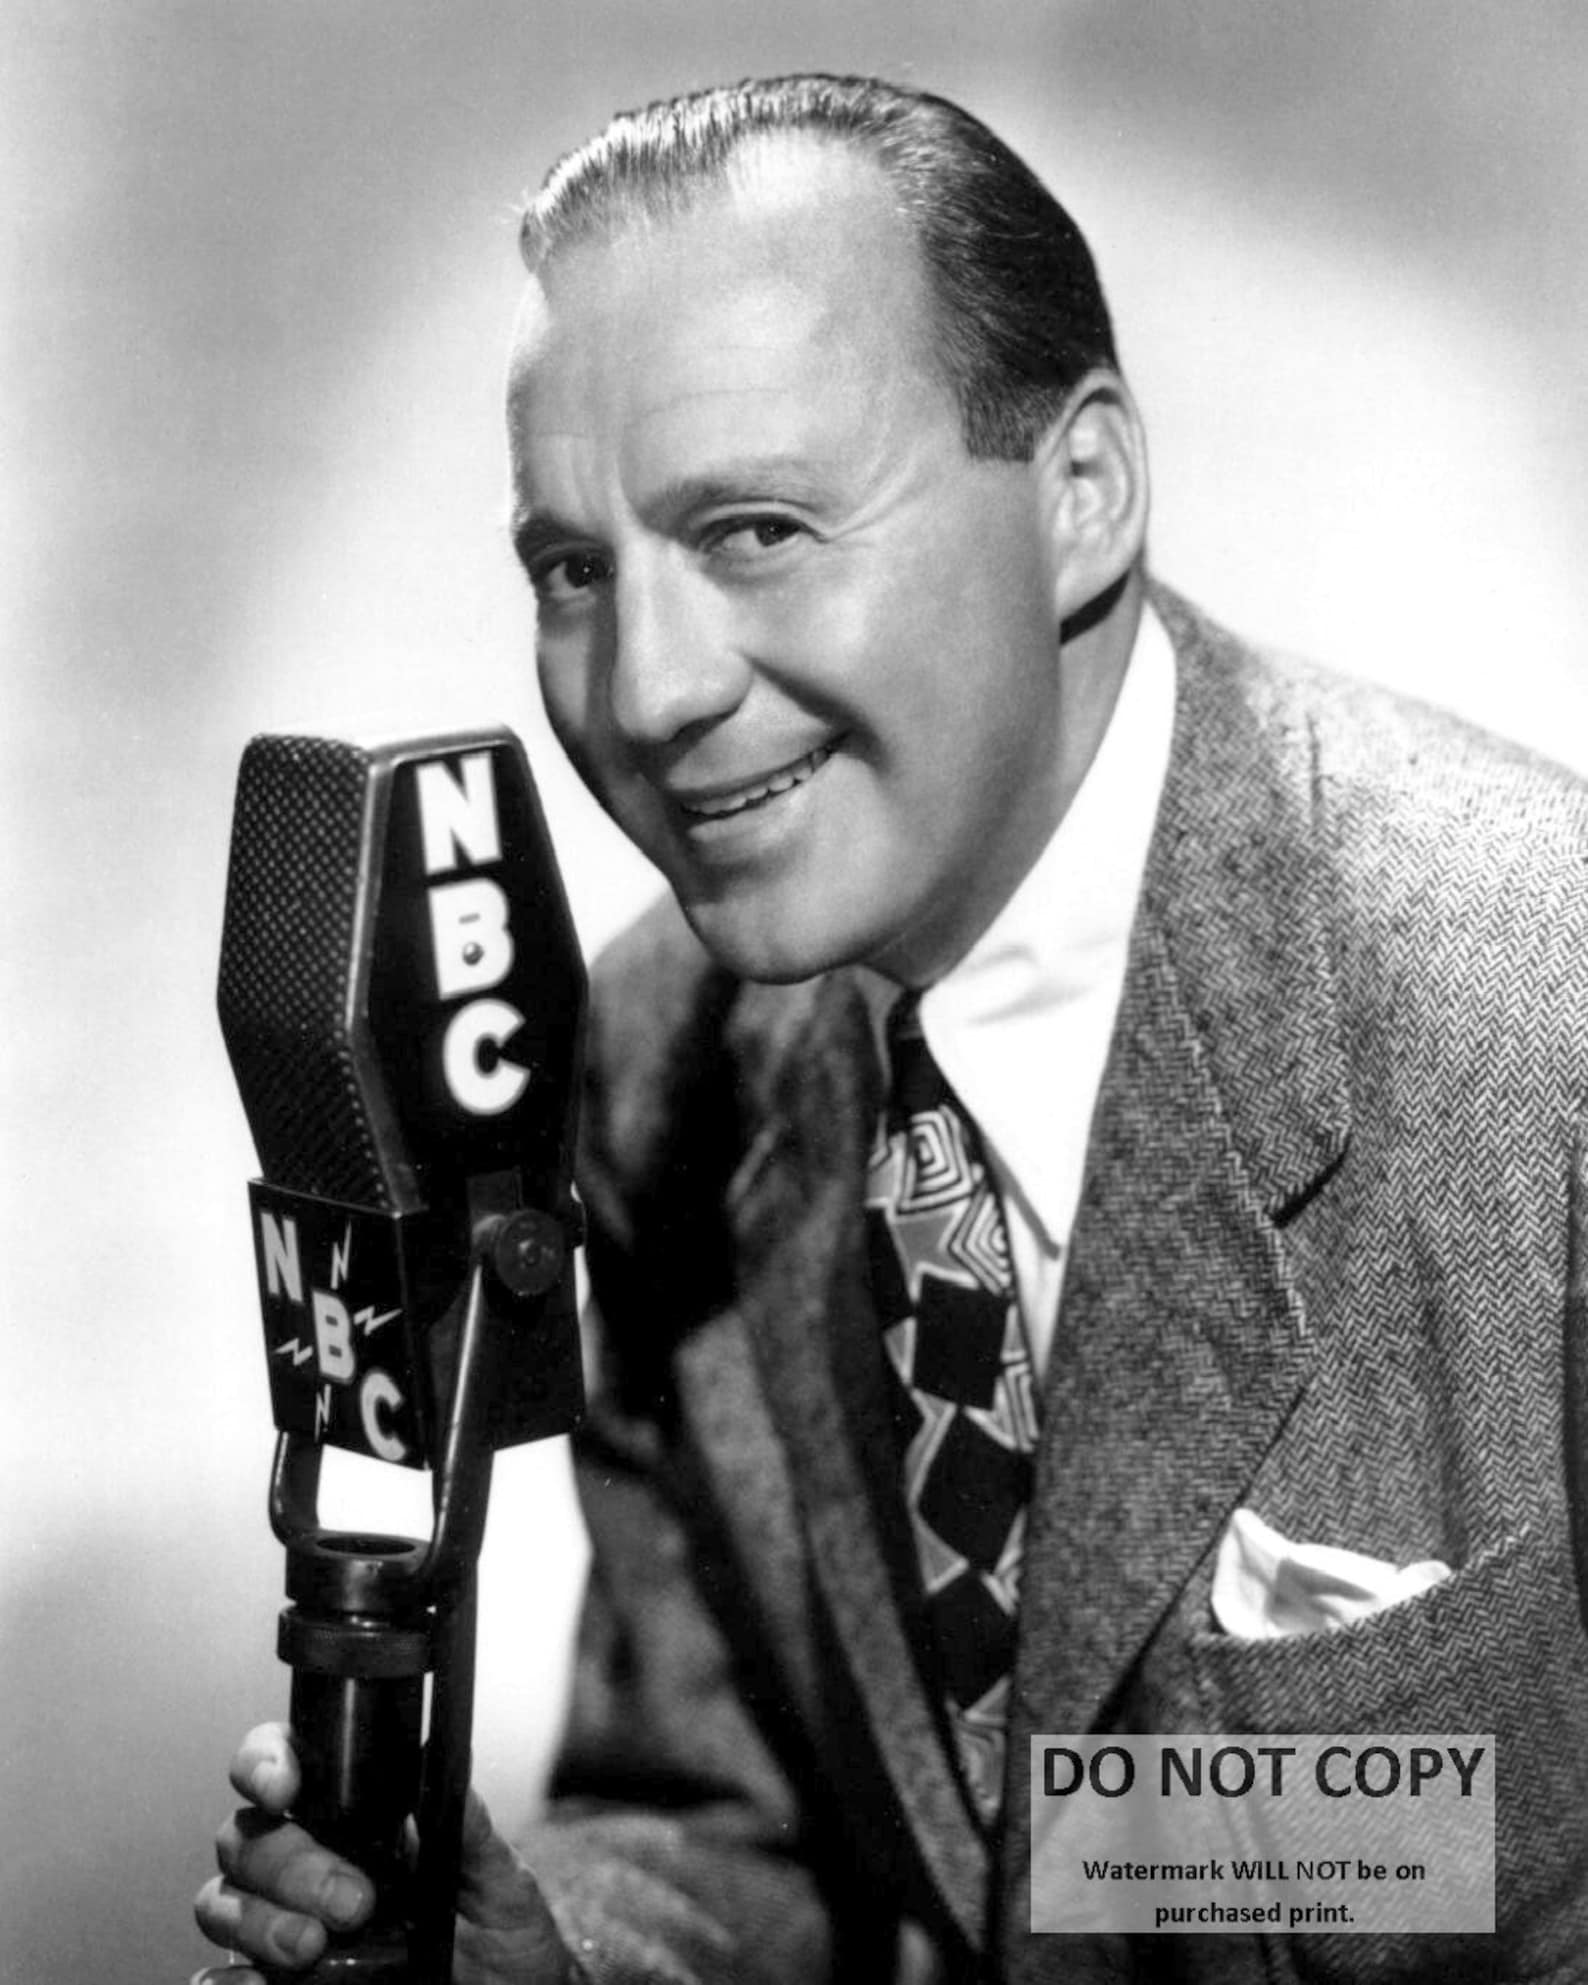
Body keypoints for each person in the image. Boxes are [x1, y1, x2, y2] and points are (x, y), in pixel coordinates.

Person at [193, 74, 1588, 1983]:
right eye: (575, 570)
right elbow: (741, 1813)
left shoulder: (1541, 1020)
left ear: (1081, 494)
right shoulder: (661, 1050)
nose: (652, 693)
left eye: (756, 529)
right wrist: (561, 1958)